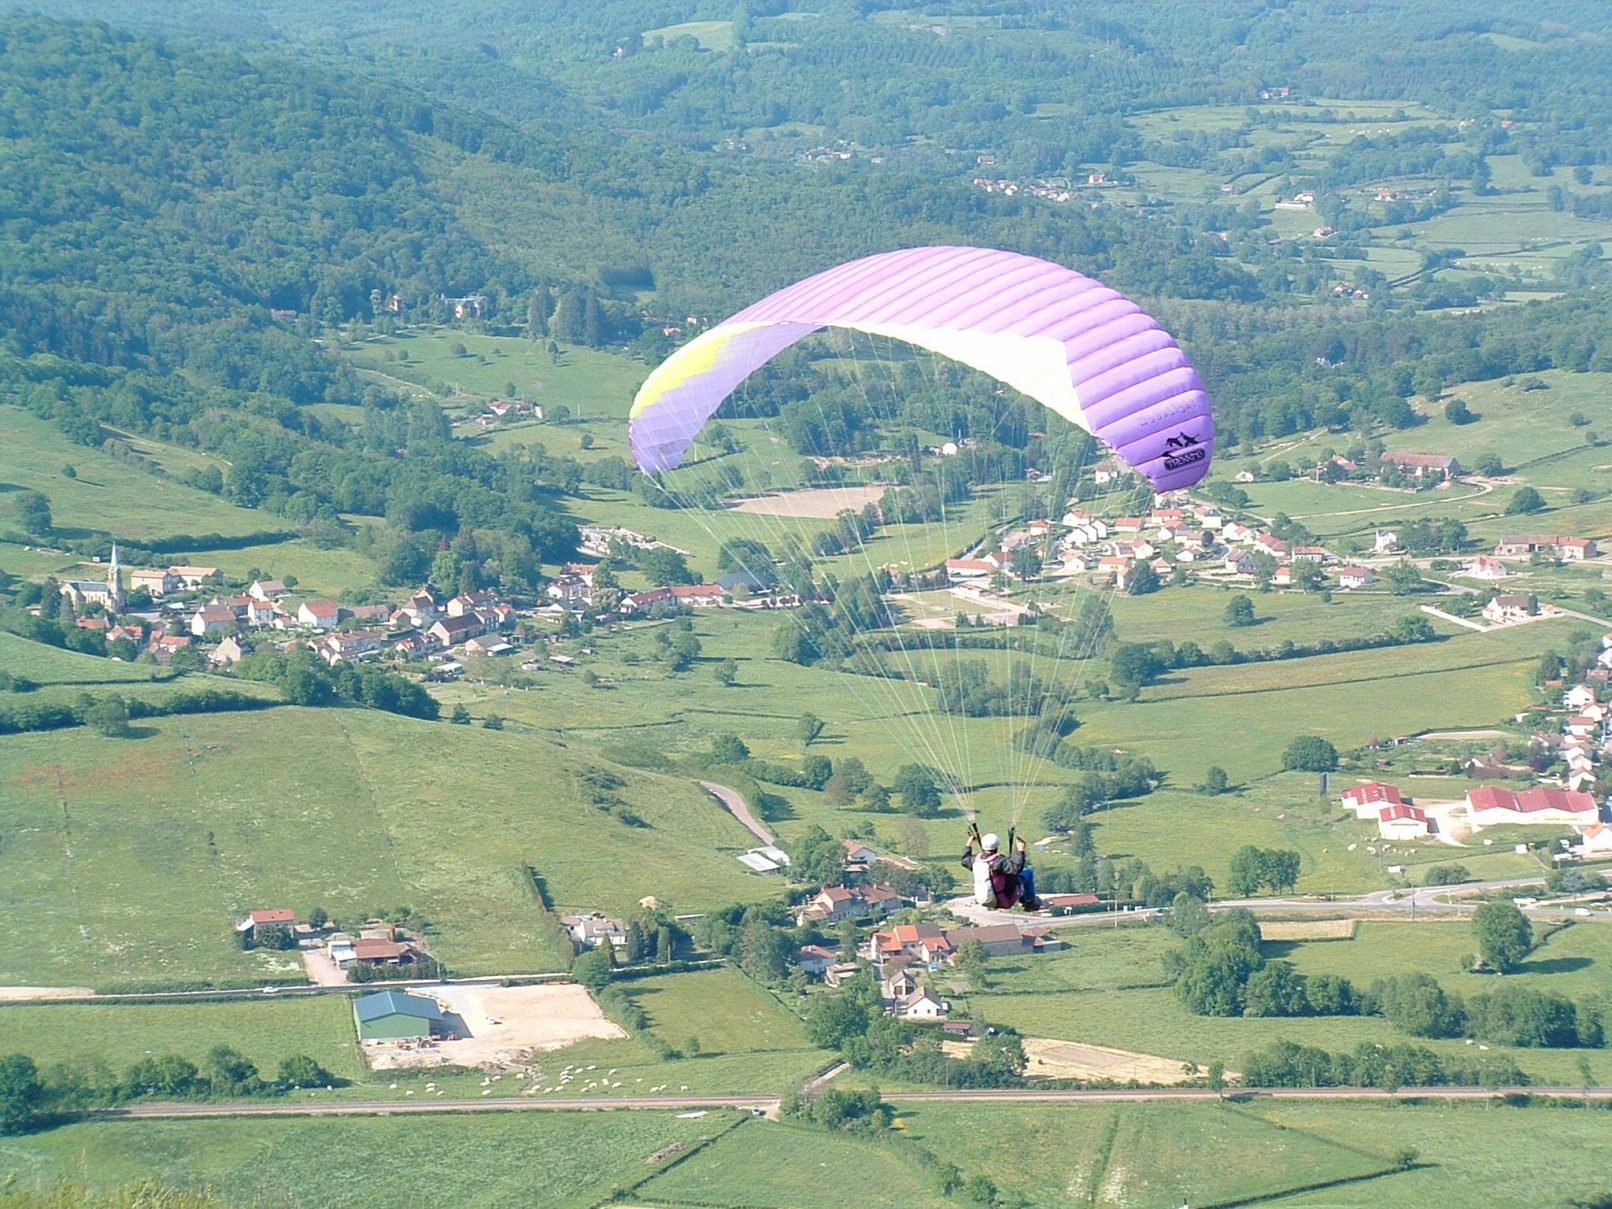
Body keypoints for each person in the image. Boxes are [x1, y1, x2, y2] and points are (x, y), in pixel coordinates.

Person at [962, 831, 1041, 911]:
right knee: (1028, 873)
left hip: (984, 898)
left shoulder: (974, 860)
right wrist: (1020, 850)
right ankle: (1029, 902)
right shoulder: (999, 862)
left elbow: (965, 859)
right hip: (1005, 897)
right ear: (997, 846)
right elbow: (1016, 868)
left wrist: (969, 842)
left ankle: (1025, 898)